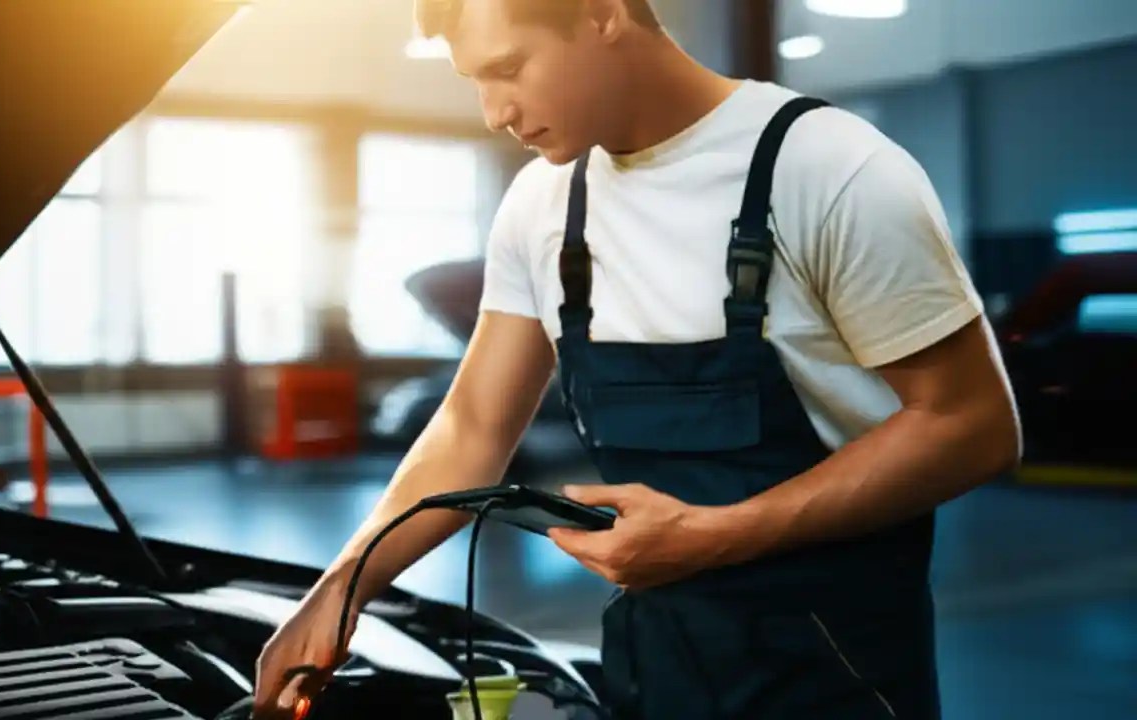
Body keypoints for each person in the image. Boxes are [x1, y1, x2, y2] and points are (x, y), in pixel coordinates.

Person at [254, 0, 1022, 717]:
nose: (495, 114)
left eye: (510, 68)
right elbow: (473, 426)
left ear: (603, 13)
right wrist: (341, 589)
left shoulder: (829, 167)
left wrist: (716, 534)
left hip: (835, 668)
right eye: (476, 81)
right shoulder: (542, 205)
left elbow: (972, 425)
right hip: (651, 665)